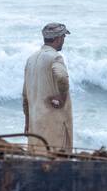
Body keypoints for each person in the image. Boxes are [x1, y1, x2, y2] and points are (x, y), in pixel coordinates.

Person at [22, 23, 74, 153]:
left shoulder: (31, 59)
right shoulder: (55, 57)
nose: (63, 41)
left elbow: (25, 95)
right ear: (59, 38)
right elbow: (62, 77)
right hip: (54, 125)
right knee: (57, 163)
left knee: (37, 164)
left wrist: (27, 122)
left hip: (35, 127)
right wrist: (62, 97)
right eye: (63, 37)